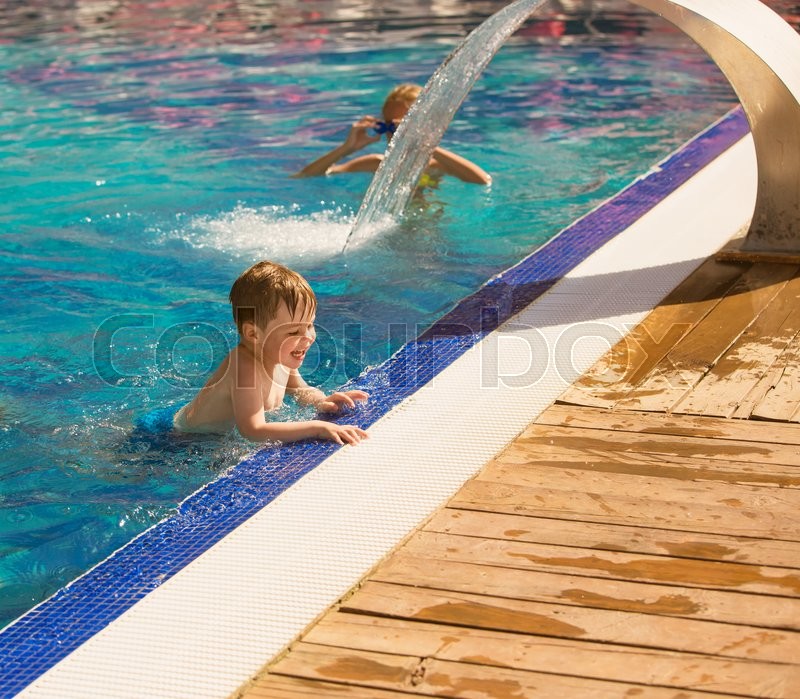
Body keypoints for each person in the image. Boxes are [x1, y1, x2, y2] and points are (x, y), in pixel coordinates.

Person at [171, 260, 369, 445]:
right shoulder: (244, 367)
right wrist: (317, 428)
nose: (308, 337)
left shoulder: (280, 356)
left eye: (310, 325)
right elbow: (253, 430)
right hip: (184, 439)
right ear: (253, 334)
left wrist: (322, 401)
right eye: (293, 331)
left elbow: (300, 390)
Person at [292, 83, 492, 185]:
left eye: (402, 127)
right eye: (389, 125)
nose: (395, 134)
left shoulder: (437, 166)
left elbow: (483, 181)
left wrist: (426, 143)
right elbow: (304, 176)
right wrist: (346, 149)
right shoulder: (376, 164)